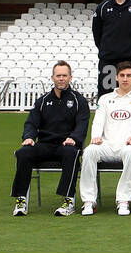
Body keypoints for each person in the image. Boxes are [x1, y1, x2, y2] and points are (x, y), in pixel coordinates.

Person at [11, 61, 90, 217]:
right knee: (23, 153)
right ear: (52, 77)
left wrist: (74, 138)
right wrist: (29, 137)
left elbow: (82, 125)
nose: (61, 79)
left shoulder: (79, 101)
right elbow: (31, 123)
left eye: (64, 76)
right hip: (45, 145)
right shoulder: (42, 101)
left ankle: (68, 201)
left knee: (72, 153)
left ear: (70, 77)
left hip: (67, 144)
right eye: (58, 75)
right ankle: (21, 200)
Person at [79, 61, 131, 216]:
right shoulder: (105, 99)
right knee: (89, 151)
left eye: (129, 76)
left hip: (129, 145)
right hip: (108, 144)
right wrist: (96, 137)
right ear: (117, 77)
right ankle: (89, 201)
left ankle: (123, 200)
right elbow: (98, 121)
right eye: (122, 76)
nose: (125, 79)